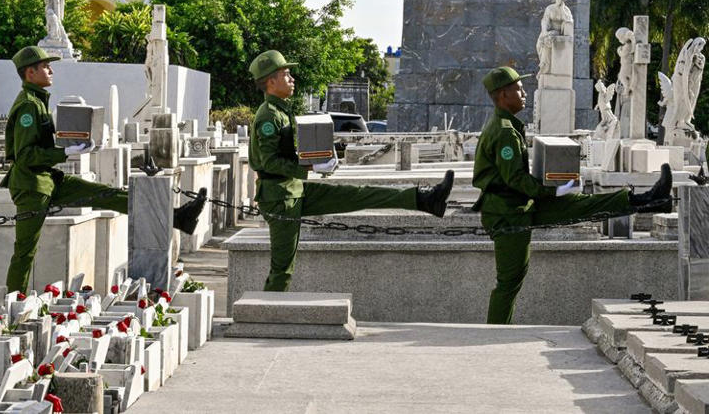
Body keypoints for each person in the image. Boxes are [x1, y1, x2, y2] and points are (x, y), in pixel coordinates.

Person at [472, 66, 673, 325]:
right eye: (518, 89)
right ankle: (494, 331)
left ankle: (649, 200)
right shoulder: (504, 132)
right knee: (508, 283)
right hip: (509, 216)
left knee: (582, 204)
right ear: (502, 95)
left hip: (517, 208)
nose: (524, 93)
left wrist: (560, 188)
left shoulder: (506, 126)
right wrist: (557, 189)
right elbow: (516, 180)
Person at [1, 46, 205, 293]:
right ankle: (12, 304)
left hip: (47, 180)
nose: (51, 70)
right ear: (30, 73)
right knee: (25, 251)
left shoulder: (38, 102)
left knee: (106, 194)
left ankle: (178, 216)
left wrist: (75, 141)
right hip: (31, 186)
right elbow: (25, 157)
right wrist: (64, 152)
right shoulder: (28, 107)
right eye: (45, 66)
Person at [248, 50, 454, 291]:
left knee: (358, 193)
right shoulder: (269, 116)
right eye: (286, 74)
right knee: (282, 269)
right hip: (279, 198)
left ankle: (424, 199)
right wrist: (310, 167)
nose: (292, 78)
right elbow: (270, 161)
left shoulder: (280, 111)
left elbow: (287, 155)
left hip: (292, 190)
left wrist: (324, 153)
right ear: (271, 81)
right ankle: (264, 320)